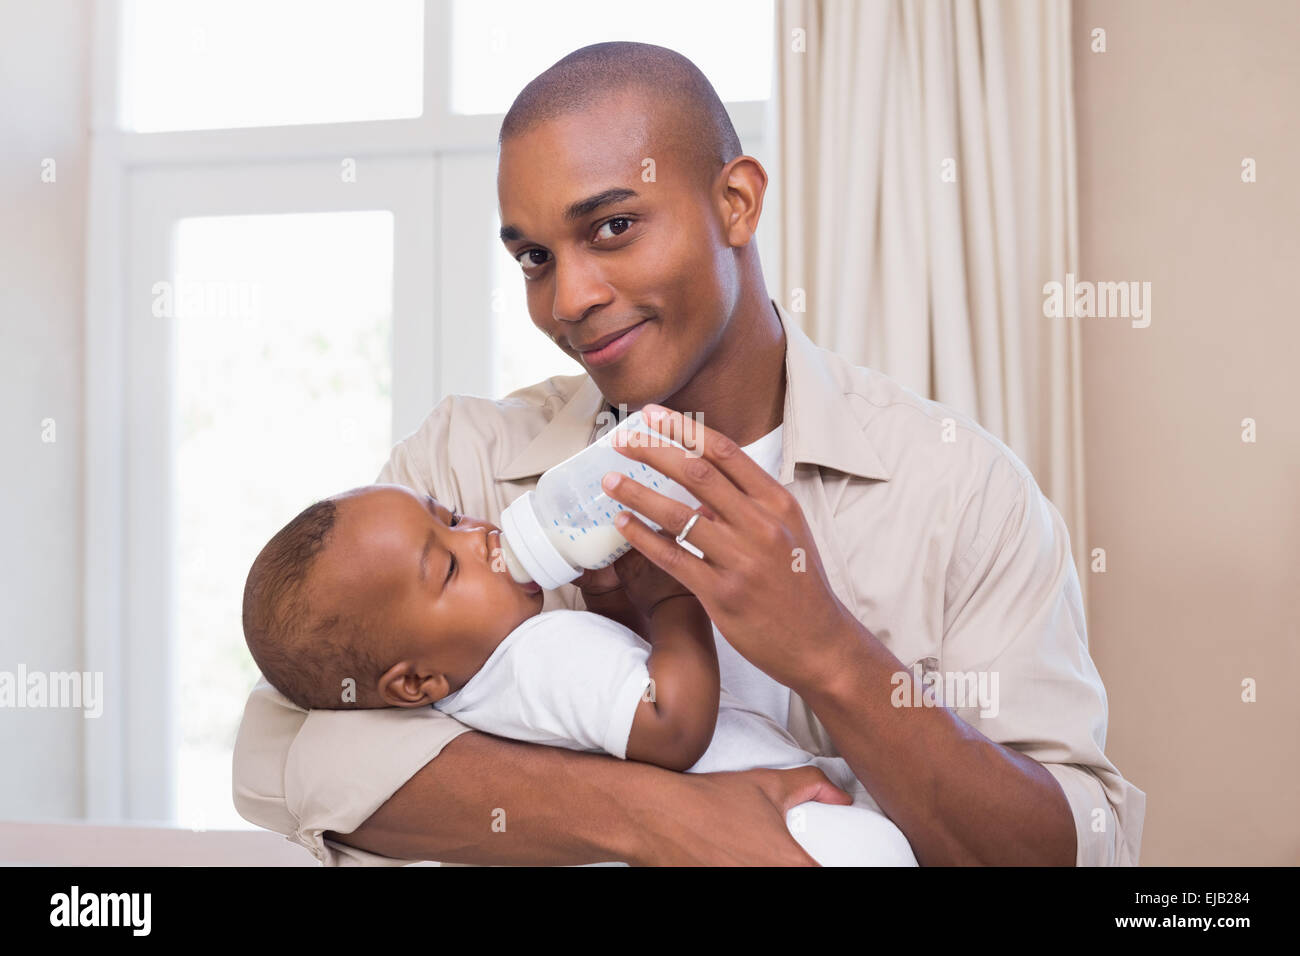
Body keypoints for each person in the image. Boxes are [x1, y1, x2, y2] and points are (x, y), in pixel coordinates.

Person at [233, 41, 1145, 866]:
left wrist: (830, 652)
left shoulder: (959, 492)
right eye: (535, 258)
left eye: (613, 227)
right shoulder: (466, 463)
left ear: (736, 202)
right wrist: (659, 817)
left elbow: (1082, 848)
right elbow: (291, 756)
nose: (568, 299)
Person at [237, 484, 919, 866]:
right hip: (796, 838)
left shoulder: (493, 690)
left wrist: (612, 600)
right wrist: (672, 598)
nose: (477, 536)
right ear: (414, 684)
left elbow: (613, 693)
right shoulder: (535, 654)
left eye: (448, 516)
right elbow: (667, 724)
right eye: (446, 566)